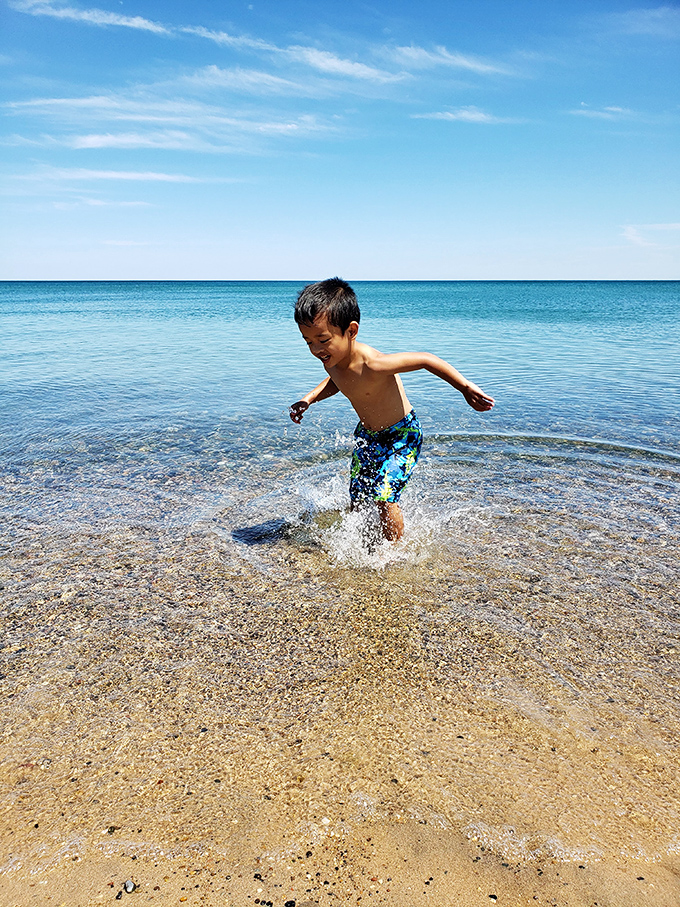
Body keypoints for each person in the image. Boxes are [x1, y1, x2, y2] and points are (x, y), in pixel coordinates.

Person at [289, 278, 494, 542]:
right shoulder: (331, 360)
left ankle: (393, 555)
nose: (316, 349)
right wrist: (310, 398)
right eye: (308, 342)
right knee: (359, 495)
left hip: (402, 435)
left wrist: (464, 387)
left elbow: (425, 360)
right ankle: (363, 542)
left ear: (351, 331)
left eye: (323, 339)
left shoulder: (374, 363)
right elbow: (338, 382)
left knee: (385, 497)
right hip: (368, 436)